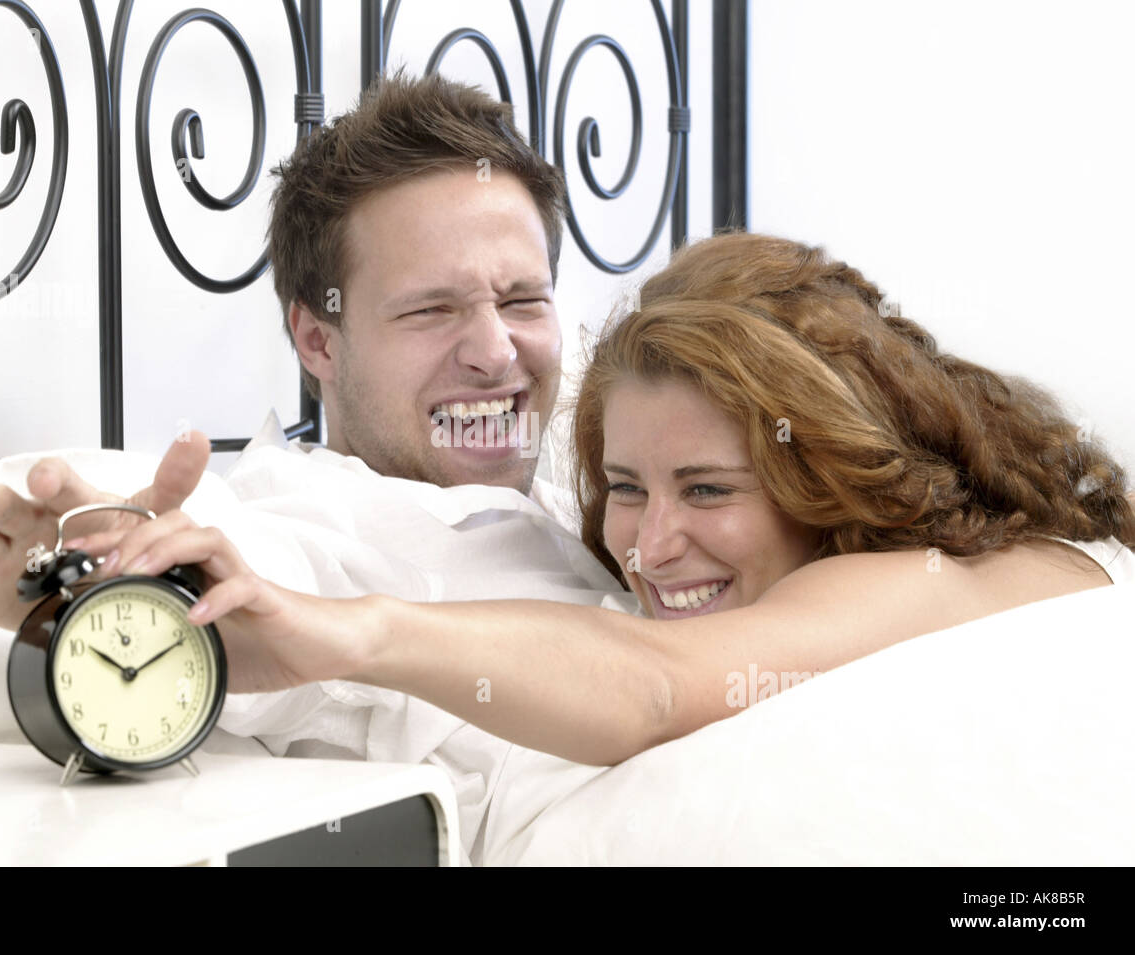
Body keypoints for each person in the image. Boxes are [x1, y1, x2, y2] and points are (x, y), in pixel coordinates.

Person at [0, 72, 633, 864]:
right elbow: (248, 590)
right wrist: (127, 581)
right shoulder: (307, 530)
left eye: (522, 301)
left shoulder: (612, 495)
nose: (495, 352)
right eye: (430, 309)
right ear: (318, 341)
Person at [61, 232, 1135, 768]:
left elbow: (655, 689)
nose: (650, 547)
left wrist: (344, 634)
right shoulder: (1003, 555)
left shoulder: (949, 576)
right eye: (624, 488)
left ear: (836, 474)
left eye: (708, 488)